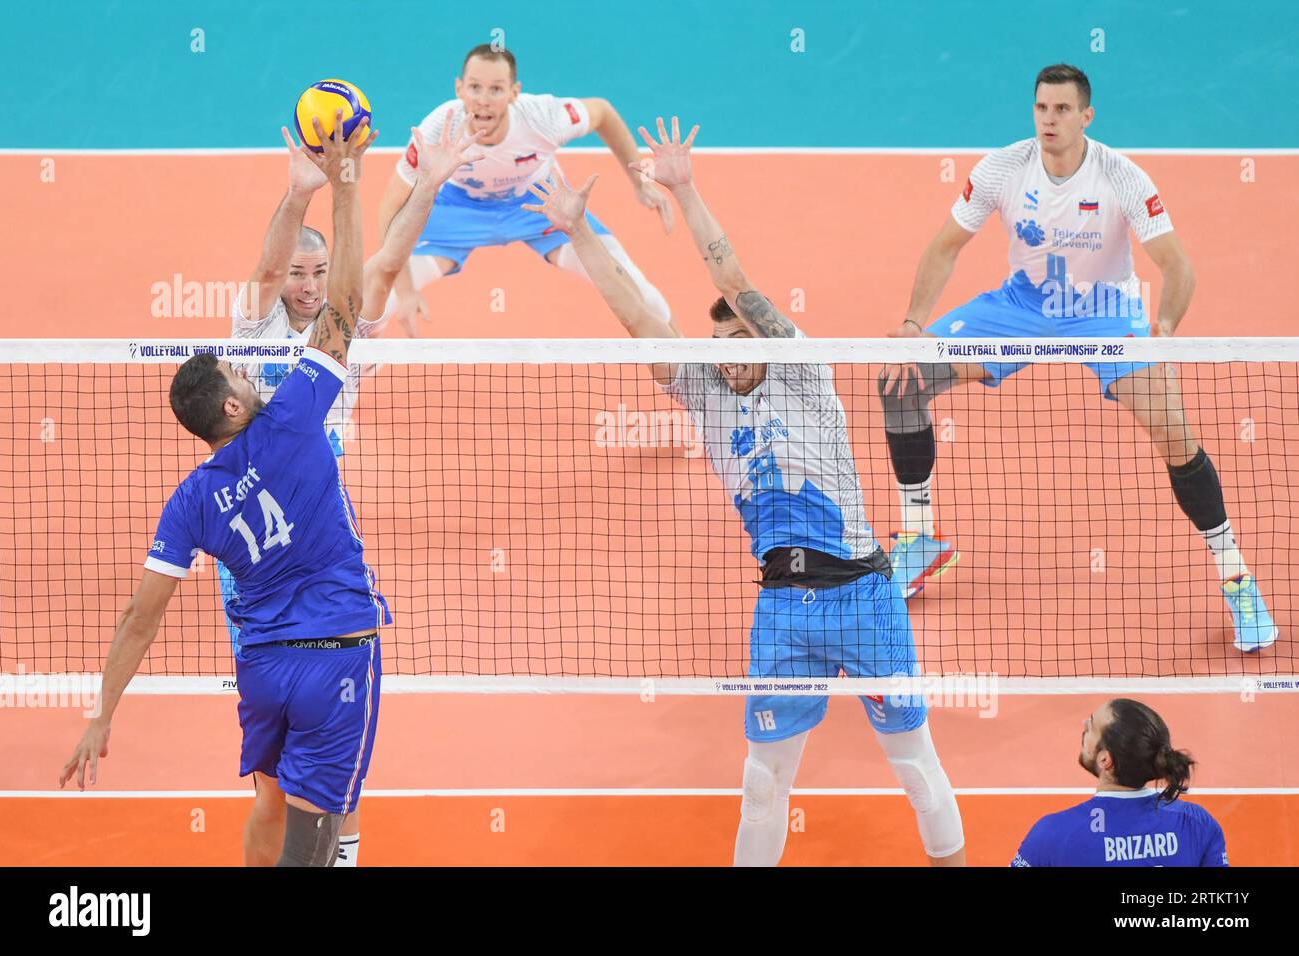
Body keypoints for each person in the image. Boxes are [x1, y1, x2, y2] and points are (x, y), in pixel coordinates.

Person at [522, 117, 966, 867]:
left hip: (864, 596)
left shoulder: (802, 370)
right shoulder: (707, 392)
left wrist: (686, 190)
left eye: (739, 346)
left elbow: (732, 280)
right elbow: (638, 317)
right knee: (762, 782)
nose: (728, 361)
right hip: (782, 610)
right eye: (719, 351)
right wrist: (581, 233)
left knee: (914, 767)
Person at [879, 63, 1277, 653]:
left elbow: (1178, 267)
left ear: (1086, 116)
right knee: (902, 385)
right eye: (1042, 108)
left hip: (1107, 312)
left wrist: (1163, 330)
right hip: (1024, 305)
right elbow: (945, 246)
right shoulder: (1002, 168)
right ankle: (919, 539)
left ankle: (1238, 578)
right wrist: (913, 323)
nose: (1050, 120)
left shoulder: (1121, 177)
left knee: (1174, 434)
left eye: (1063, 110)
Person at [212, 114, 483, 866]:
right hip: (253, 575)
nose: (305, 285)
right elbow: (267, 271)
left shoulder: (343, 344)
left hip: (326, 565)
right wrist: (302, 191)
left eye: (317, 274)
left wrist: (426, 182)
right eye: (298, 274)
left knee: (337, 750)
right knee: (268, 781)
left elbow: (387, 261)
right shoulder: (254, 335)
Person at [379, 43, 674, 336]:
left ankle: (694, 376)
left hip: (541, 205)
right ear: (459, 89)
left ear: (514, 92)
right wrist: (405, 292)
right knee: (375, 301)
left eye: (496, 89)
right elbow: (391, 207)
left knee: (643, 297)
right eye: (475, 87)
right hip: (457, 211)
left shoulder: (542, 118)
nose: (483, 99)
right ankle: (346, 380)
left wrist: (641, 182)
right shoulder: (434, 132)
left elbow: (603, 113)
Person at [1012, 698, 1228, 866]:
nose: (1083, 724)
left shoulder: (1052, 834)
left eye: (1091, 727)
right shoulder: (1198, 823)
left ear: (1105, 760)